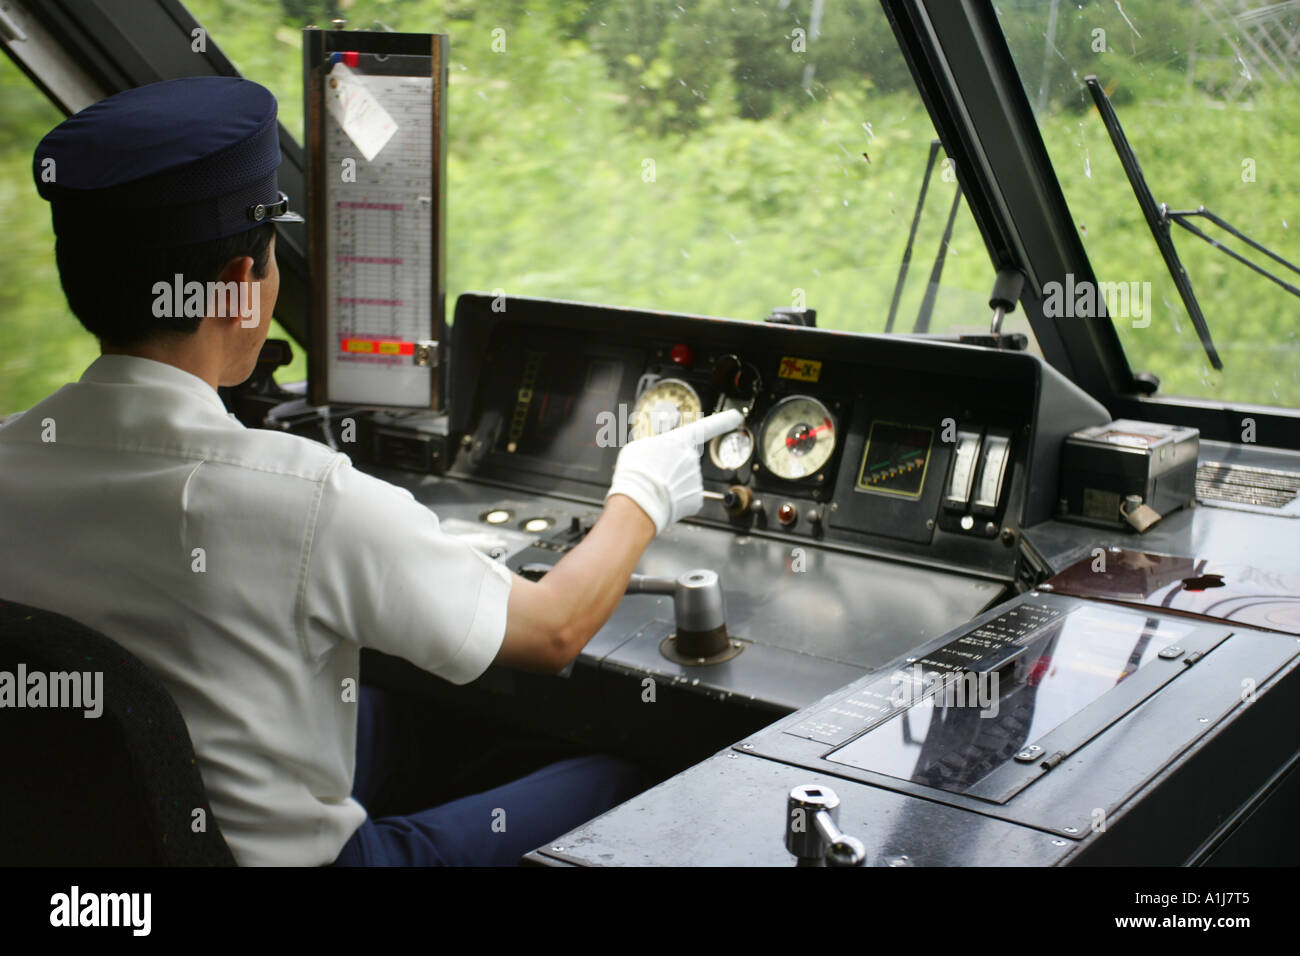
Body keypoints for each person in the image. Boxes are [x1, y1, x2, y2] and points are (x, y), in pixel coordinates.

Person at [0, 76, 738, 866]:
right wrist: (642, 494)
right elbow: (555, 630)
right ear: (241, 290)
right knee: (627, 781)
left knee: (403, 716)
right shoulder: (302, 497)